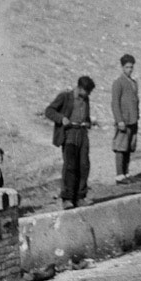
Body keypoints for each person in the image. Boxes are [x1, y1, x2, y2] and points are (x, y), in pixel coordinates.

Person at [45, 76, 95, 209]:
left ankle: (80, 197)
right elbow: (49, 111)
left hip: (82, 134)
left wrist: (88, 122)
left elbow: (86, 115)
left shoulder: (86, 99)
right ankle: (67, 198)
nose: (88, 95)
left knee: (84, 165)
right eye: (87, 91)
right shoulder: (65, 97)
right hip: (69, 135)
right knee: (70, 166)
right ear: (80, 88)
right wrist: (61, 119)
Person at [111, 54, 139, 184]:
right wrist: (119, 120)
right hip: (123, 121)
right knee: (121, 147)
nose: (130, 69)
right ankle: (119, 175)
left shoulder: (134, 83)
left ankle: (126, 172)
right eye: (127, 67)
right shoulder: (118, 83)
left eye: (131, 67)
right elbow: (115, 103)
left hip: (132, 120)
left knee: (129, 147)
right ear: (122, 67)